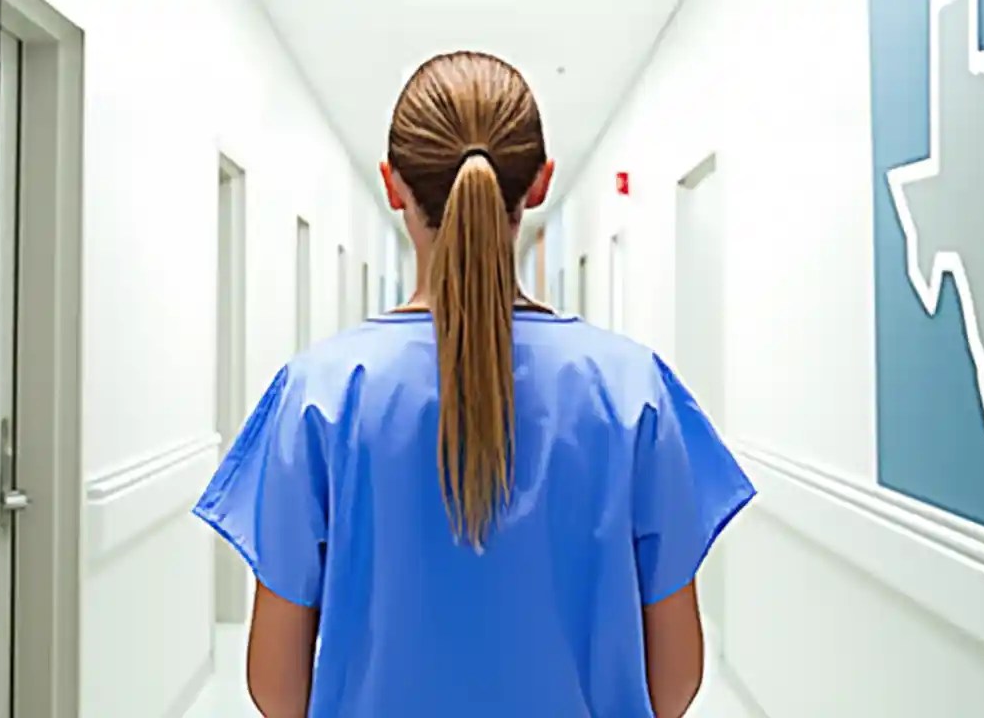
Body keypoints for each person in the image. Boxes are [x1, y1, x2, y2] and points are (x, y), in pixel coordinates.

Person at [192, 50, 755, 717]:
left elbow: (278, 690)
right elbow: (674, 684)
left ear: (392, 185)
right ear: (539, 184)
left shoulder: (318, 395)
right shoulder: (633, 392)